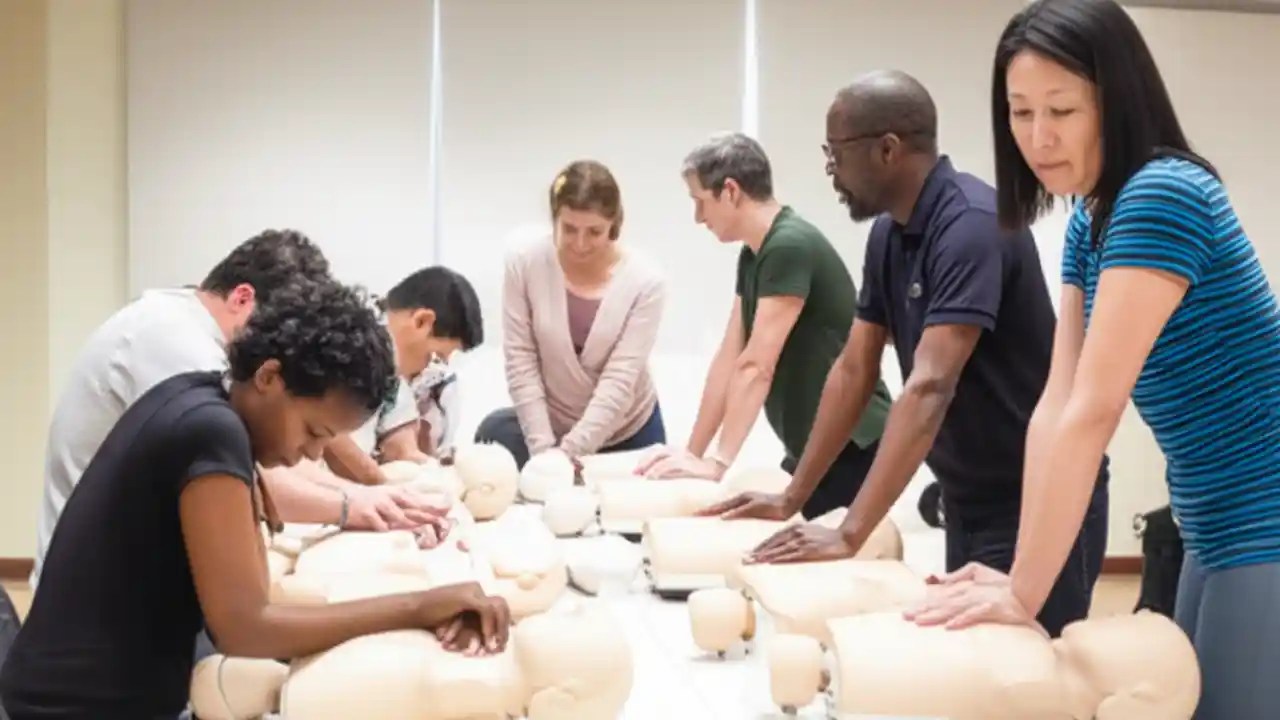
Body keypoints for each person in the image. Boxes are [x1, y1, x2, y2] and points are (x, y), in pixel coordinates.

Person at [905, 1, 1280, 717]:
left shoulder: (1161, 196)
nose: (1038, 138)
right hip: (1209, 521)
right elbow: (1057, 402)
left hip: (1264, 517)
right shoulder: (1089, 218)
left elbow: (1092, 415)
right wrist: (1020, 574)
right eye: (1020, 113)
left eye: (1063, 110)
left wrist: (1025, 593)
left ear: (1117, 100)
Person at [705, 72, 1109, 638]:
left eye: (835, 154)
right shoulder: (890, 236)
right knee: (973, 674)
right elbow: (853, 368)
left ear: (888, 149)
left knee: (1028, 680)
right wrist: (791, 497)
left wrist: (851, 532)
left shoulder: (970, 224)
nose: (831, 172)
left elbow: (928, 388)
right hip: (970, 500)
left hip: (1037, 503)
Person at [0, 280, 511, 719]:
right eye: (314, 431)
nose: (309, 453)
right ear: (269, 377)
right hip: (78, 708)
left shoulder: (201, 397)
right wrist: (420, 606)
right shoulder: (209, 431)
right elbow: (245, 627)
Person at [31, 230, 443, 590]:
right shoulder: (172, 340)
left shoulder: (186, 330)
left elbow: (279, 460)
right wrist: (355, 504)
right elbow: (251, 478)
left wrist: (372, 493)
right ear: (243, 298)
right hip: (96, 584)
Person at [636, 132, 893, 519]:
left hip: (852, 443)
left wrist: (718, 464)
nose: (698, 217)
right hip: (816, 444)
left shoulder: (788, 246)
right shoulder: (755, 253)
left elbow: (757, 365)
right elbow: (731, 355)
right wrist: (693, 454)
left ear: (730, 191)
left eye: (700, 202)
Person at [477, 160, 667, 469]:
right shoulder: (525, 260)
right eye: (569, 229)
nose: (580, 244)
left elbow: (619, 380)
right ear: (554, 219)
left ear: (615, 224)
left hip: (628, 430)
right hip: (551, 431)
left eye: (594, 232)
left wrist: (570, 453)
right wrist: (543, 452)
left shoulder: (645, 282)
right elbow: (521, 359)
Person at [380, 267, 483, 457]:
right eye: (432, 357)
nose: (428, 372)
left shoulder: (437, 386)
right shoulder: (346, 352)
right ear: (421, 322)